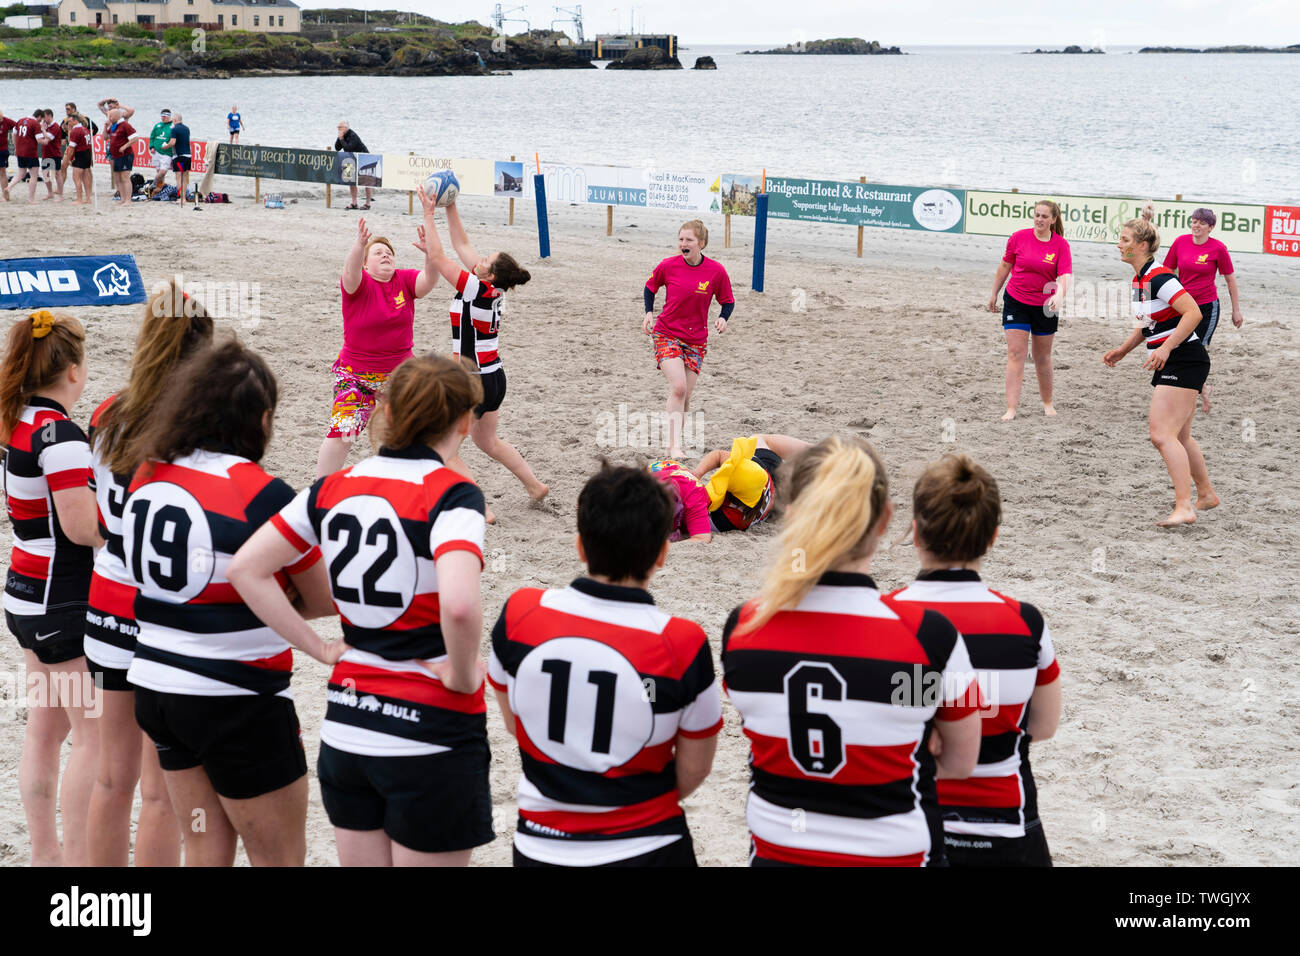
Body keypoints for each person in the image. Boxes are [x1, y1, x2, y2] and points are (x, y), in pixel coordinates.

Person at [230, 354, 494, 867]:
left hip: (348, 728)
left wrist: (320, 647)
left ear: (388, 412)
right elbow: (460, 606)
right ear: (464, 421)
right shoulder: (454, 495)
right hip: (429, 732)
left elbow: (247, 569)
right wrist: (463, 676)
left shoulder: (333, 487)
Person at [721, 436, 983, 866]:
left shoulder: (744, 628)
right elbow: (960, 760)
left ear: (791, 511)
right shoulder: (929, 636)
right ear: (884, 520)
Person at [123, 340, 335, 867]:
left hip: (158, 690)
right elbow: (323, 596)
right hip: (235, 698)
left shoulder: (147, 476)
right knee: (279, 858)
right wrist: (265, 601)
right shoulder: (263, 495)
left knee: (204, 845)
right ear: (260, 419)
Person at [488, 463, 723, 866]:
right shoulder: (682, 642)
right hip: (646, 844)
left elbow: (516, 725)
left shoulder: (520, 614)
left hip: (541, 844)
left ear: (580, 546)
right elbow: (694, 770)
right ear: (663, 553)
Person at [83, 279, 212, 867]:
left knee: (112, 778)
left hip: (107, 592)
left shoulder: (108, 411)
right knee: (162, 791)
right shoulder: (198, 422)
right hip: (167, 604)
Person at [888, 454, 1062, 866]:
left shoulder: (891, 617)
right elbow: (1043, 726)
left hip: (915, 821)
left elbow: (904, 722)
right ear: (992, 537)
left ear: (915, 533)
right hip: (1004, 825)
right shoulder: (1025, 622)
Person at [1, 310, 103, 866]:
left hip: (24, 590)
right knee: (92, 739)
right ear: (71, 372)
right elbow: (82, 528)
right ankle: (81, 865)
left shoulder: (16, 420)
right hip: (61, 600)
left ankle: (45, 855)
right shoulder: (60, 435)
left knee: (45, 732)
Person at [413, 191, 548, 522]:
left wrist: (429, 214)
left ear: (488, 274)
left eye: (485, 259)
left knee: (443, 450)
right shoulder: (491, 286)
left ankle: (481, 508)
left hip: (474, 382)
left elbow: (443, 256)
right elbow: (460, 244)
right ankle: (534, 486)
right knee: (488, 441)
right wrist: (451, 205)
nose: (478, 259)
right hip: (495, 378)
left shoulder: (477, 288)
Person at [1103, 217, 1218, 526]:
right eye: (1120, 238)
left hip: (1183, 358)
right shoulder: (1139, 280)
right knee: (1180, 435)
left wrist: (1166, 347)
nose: (1119, 244)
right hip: (1177, 358)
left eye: (1125, 240)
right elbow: (1147, 326)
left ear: (1142, 246)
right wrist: (1123, 350)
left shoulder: (1159, 276)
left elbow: (1193, 312)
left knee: (1161, 435)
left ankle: (1184, 507)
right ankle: (1205, 494)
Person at [315, 212, 443, 478]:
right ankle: (319, 488)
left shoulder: (403, 280)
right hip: (355, 375)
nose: (386, 256)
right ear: (365, 264)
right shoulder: (358, 285)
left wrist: (430, 255)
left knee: (413, 433)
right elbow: (349, 271)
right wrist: (360, 244)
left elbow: (429, 281)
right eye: (378, 253)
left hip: (400, 375)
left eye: (389, 253)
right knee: (344, 433)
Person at [643, 220, 735, 459]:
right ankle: (673, 447)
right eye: (681, 239)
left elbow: (728, 301)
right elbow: (650, 287)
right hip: (666, 333)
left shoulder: (716, 271)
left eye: (689, 240)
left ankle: (674, 443)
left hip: (696, 340)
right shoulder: (668, 265)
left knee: (685, 395)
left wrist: (723, 318)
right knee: (679, 387)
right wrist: (648, 312)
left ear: (701, 244)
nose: (683, 244)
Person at [987, 200, 1073, 420]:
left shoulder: (1061, 245)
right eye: (1036, 215)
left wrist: (1059, 294)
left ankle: (1047, 403)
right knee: (1016, 353)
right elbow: (1005, 265)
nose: (1039, 220)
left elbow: (1065, 276)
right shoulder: (1018, 237)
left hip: (1046, 306)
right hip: (1017, 300)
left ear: (1053, 219)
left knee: (1042, 356)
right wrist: (994, 293)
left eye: (1044, 216)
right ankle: (1011, 408)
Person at [1160, 207, 1244, 413]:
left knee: (1197, 349)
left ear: (1211, 227)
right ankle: (1201, 388)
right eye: (1194, 221)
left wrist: (1236, 310)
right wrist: (1163, 297)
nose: (1196, 225)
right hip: (1182, 305)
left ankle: (1200, 391)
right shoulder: (1180, 242)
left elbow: (1230, 279)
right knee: (1177, 345)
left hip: (1207, 307)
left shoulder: (1218, 249)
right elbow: (1167, 271)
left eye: (1202, 222)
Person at [690, 433, 812, 533]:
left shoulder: (728, 520)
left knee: (757, 439)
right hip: (772, 480)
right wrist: (698, 473)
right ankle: (816, 451)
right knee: (759, 438)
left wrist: (697, 474)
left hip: (777, 501)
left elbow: (694, 520)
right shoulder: (756, 470)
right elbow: (719, 455)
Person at [647, 457, 711, 543]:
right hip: (659, 469)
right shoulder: (642, 490)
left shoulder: (694, 496)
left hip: (684, 482)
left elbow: (702, 538)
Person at [106, 108, 143, 209]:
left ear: (117, 116)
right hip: (115, 155)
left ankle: (128, 199)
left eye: (111, 116)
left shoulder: (125, 125)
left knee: (125, 177)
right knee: (117, 177)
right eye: (109, 116)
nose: (109, 117)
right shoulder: (113, 126)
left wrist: (125, 146)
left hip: (125, 155)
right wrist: (105, 126)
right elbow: (105, 137)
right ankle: (122, 198)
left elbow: (135, 138)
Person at [333, 121, 372, 210]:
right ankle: (354, 203)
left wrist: (341, 138)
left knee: (367, 182)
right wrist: (340, 138)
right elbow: (337, 148)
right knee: (351, 181)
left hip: (364, 157)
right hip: (351, 158)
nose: (338, 129)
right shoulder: (342, 135)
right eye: (338, 128)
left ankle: (368, 204)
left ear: (346, 128)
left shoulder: (353, 135)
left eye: (340, 127)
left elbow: (348, 148)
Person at [9, 109, 44, 204]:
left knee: (21, 173)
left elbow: (13, 134)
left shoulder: (20, 120)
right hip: (30, 152)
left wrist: (16, 147)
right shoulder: (35, 123)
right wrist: (46, 139)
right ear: (39, 117)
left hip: (20, 151)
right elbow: (39, 140)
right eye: (41, 120)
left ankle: (9, 187)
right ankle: (31, 199)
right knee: (34, 176)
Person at [62, 113, 94, 205]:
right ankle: (88, 198)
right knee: (85, 177)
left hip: (80, 154)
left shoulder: (76, 131)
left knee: (76, 177)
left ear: (76, 121)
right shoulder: (85, 129)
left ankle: (79, 199)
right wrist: (91, 158)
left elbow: (71, 148)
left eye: (70, 121)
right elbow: (90, 145)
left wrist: (68, 159)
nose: (68, 123)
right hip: (87, 154)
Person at [37, 110, 63, 202]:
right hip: (46, 153)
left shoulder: (55, 126)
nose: (43, 119)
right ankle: (50, 193)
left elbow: (48, 138)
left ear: (49, 116)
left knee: (57, 174)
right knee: (45, 173)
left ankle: (60, 195)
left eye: (44, 117)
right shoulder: (45, 125)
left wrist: (43, 129)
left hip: (55, 153)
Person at [167, 110, 192, 206]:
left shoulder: (174, 129)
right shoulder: (187, 128)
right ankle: (184, 197)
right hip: (187, 155)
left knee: (179, 177)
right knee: (184, 177)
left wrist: (165, 146)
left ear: (175, 120)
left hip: (179, 156)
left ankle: (181, 198)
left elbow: (173, 142)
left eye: (173, 120)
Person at [148, 108, 173, 194]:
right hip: (156, 152)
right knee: (159, 171)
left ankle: (153, 183)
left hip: (167, 152)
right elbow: (152, 137)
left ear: (169, 116)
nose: (163, 118)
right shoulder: (157, 125)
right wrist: (151, 147)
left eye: (165, 117)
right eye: (162, 117)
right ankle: (159, 188)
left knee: (163, 171)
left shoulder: (172, 126)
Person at [1, 108, 14, 201]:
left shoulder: (6, 121)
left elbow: (18, 126)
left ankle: (5, 195)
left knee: (2, 172)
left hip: (3, 151)